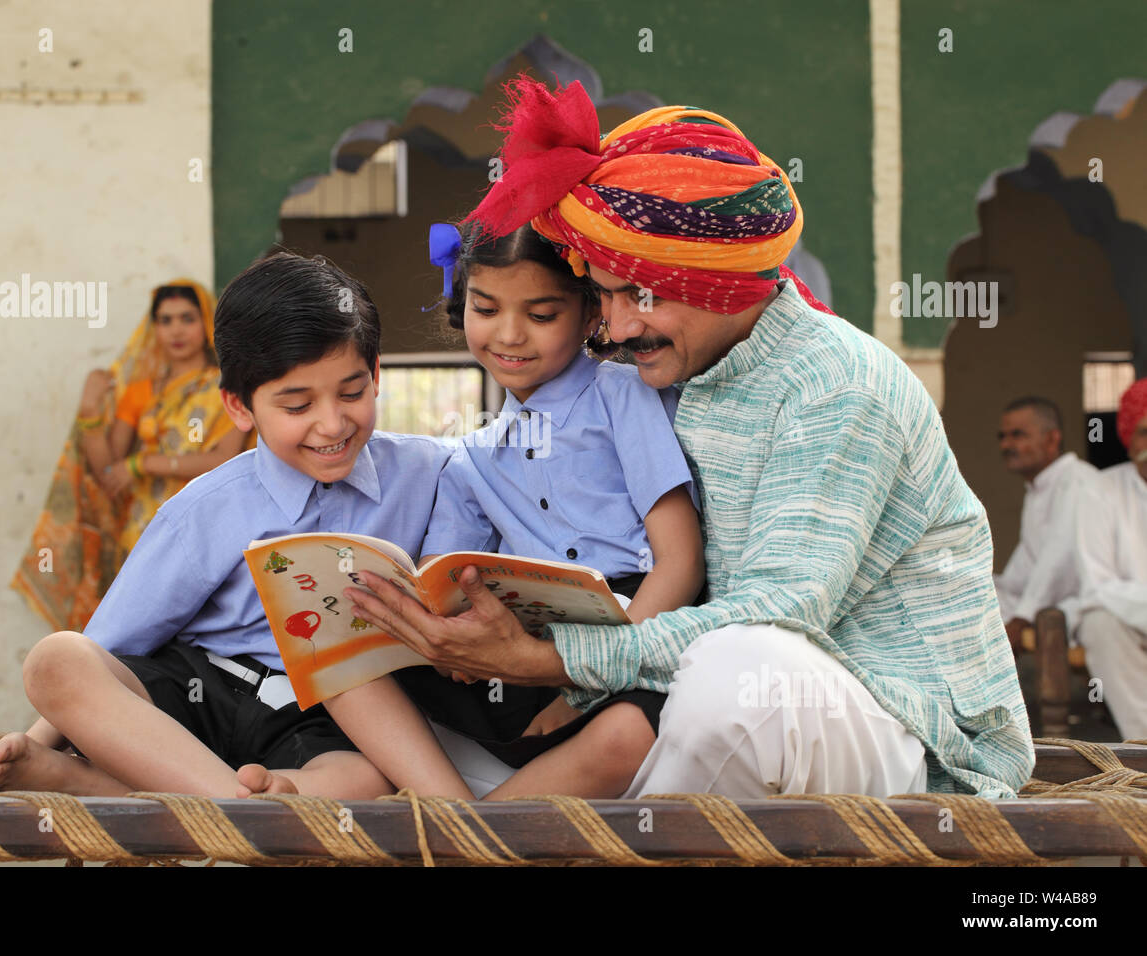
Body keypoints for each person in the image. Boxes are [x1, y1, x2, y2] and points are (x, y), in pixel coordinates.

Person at [343, 78, 1033, 799]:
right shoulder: (672, 372)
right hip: (680, 708)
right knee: (384, 700)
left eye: (641, 295)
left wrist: (549, 662)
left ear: (720, 283)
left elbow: (778, 614)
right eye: (604, 295)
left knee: (737, 673)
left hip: (906, 732)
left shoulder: (836, 386)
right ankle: (492, 826)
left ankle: (511, 835)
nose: (617, 327)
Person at [0, 252, 452, 798]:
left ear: (375, 376)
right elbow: (111, 641)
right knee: (54, 660)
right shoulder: (205, 507)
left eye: (351, 393)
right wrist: (35, 740)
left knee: (369, 779)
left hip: (317, 716)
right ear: (238, 407)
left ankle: (229, 798)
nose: (332, 423)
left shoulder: (429, 474)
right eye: (297, 405)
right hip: (195, 697)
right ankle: (242, 806)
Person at [244, 222, 704, 800]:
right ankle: (455, 810)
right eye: (486, 308)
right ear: (462, 307)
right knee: (337, 658)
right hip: (519, 644)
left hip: (633, 625)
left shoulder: (625, 396)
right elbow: (441, 581)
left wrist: (582, 686)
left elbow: (682, 563)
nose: (510, 334)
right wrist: (447, 629)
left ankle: (468, 837)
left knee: (627, 736)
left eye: (541, 316)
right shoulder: (471, 459)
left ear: (593, 315)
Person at [10, 279, 248, 632]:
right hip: (141, 537)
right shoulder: (140, 393)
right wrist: (90, 411)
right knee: (139, 641)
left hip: (206, 532)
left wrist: (144, 463)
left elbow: (223, 460)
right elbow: (107, 468)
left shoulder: (229, 390)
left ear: (206, 323)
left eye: (187, 318)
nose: (175, 330)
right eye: (165, 321)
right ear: (153, 329)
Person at [1073, 377, 1147, 739]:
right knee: (1098, 623)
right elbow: (1097, 585)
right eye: (1145, 432)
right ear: (1129, 440)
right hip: (1125, 622)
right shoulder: (1099, 490)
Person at [992, 397, 1097, 650]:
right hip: (1047, 602)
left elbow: (1058, 558)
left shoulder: (1077, 480)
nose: (1006, 445)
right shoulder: (1038, 488)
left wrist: (1022, 617)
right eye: (1002, 436)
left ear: (1052, 439)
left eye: (1018, 435)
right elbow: (1027, 564)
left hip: (1079, 605)